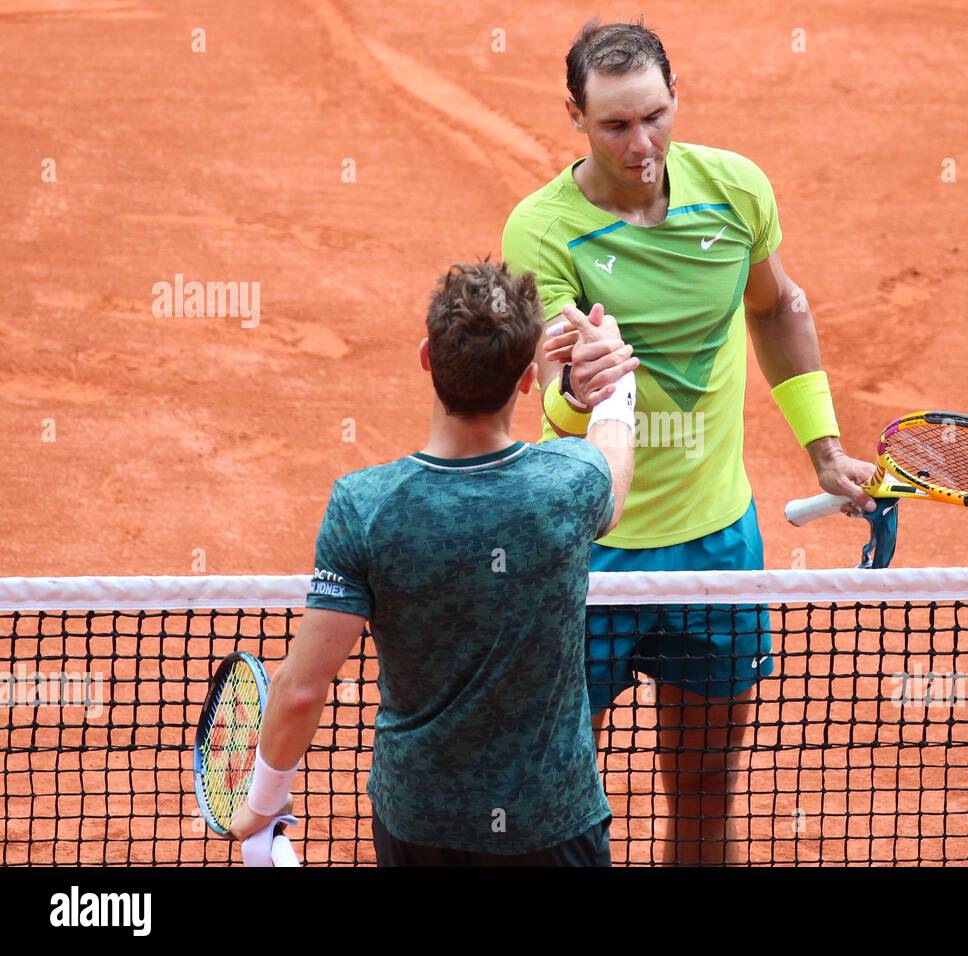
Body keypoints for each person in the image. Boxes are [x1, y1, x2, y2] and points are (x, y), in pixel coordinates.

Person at [500, 19, 879, 864]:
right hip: (594, 553)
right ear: (574, 116)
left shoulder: (736, 190)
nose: (642, 144)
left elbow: (778, 307)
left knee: (706, 801)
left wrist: (824, 448)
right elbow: (557, 406)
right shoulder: (541, 231)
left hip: (717, 546)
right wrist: (578, 384)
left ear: (676, 98)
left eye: (656, 116)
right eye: (616, 125)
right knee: (560, 807)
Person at [230, 259, 639, 866]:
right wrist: (611, 379)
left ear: (426, 358)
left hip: (419, 825)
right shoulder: (570, 485)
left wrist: (263, 802)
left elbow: (300, 689)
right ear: (528, 380)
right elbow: (612, 456)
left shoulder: (363, 506)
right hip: (552, 825)